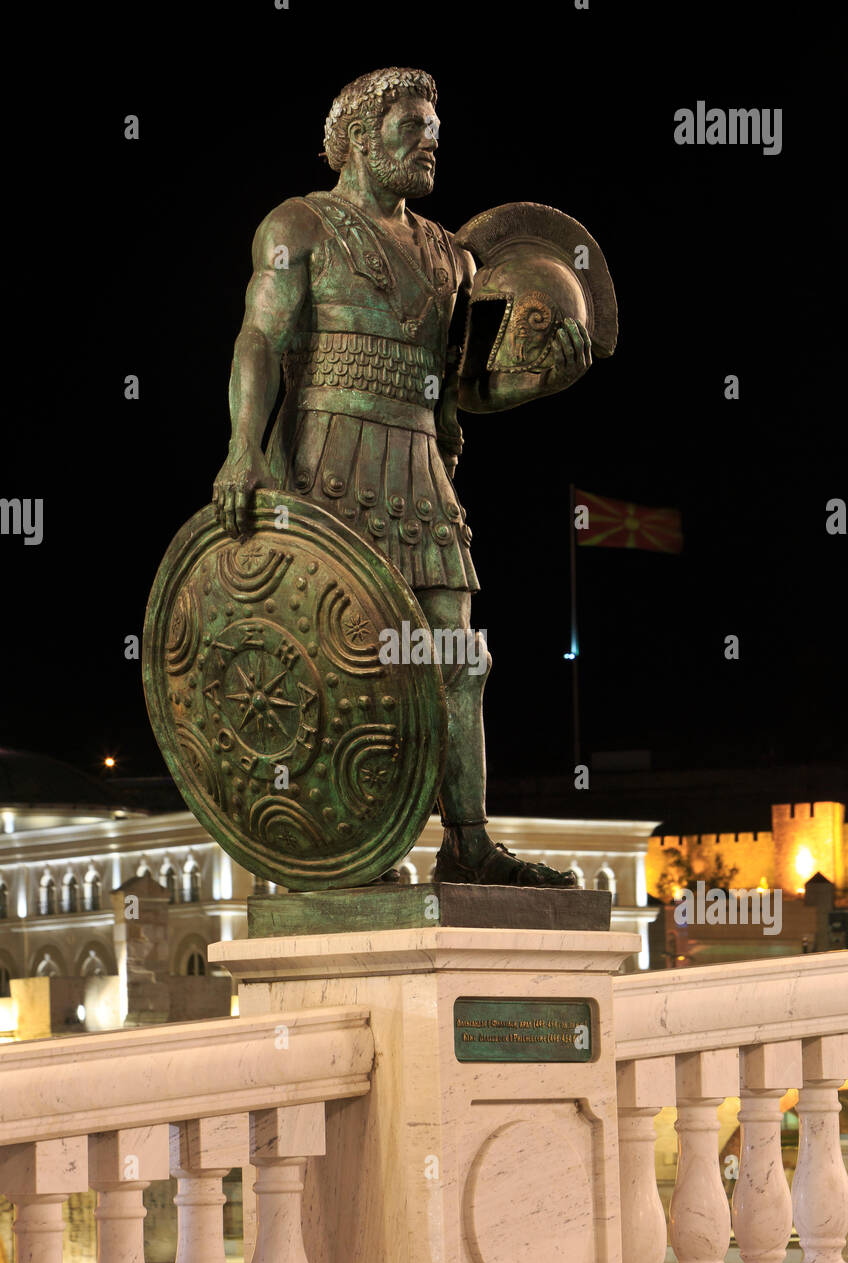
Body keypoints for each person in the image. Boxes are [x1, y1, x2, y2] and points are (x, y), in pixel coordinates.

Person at [213, 68, 591, 886]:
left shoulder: (450, 255)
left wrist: (540, 382)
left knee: (455, 658)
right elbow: (260, 340)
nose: (430, 144)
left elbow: (462, 389)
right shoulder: (298, 225)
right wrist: (245, 448)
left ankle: (469, 841)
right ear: (356, 135)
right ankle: (348, 849)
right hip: (323, 464)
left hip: (421, 469)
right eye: (412, 128)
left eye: (436, 133)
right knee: (341, 661)